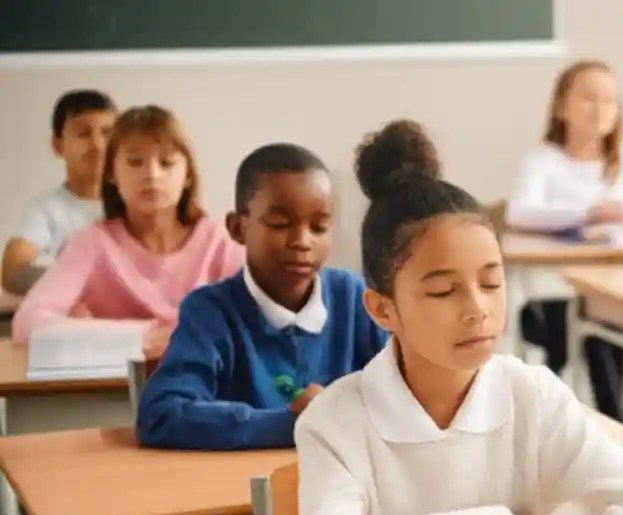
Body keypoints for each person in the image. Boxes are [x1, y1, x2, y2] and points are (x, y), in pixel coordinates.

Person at [296, 120, 623, 515]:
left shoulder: (532, 394)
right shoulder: (334, 422)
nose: (477, 309)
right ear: (381, 310)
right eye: (443, 291)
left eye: (491, 282)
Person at [136, 142, 387, 453]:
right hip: (242, 491)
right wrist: (291, 423)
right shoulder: (210, 312)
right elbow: (161, 415)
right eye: (281, 224)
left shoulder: (354, 299)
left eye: (319, 226)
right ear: (238, 228)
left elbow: (410, 391)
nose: (302, 242)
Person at [507, 60, 623, 420]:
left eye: (610, 101)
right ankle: (605, 420)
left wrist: (621, 208)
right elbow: (521, 212)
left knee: (605, 329)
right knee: (586, 327)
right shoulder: (543, 160)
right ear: (562, 106)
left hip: (620, 284)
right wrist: (587, 212)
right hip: (557, 290)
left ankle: (617, 422)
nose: (600, 109)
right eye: (588, 98)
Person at [11, 105, 243, 349]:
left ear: (187, 176)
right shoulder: (91, 243)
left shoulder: (220, 241)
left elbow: (259, 319)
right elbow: (27, 324)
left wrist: (88, 329)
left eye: (166, 163)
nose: (152, 175)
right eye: (135, 162)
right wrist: (148, 335)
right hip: (119, 384)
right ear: (112, 173)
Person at [3, 90, 117, 295]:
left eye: (107, 133)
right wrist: (84, 282)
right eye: (83, 134)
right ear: (58, 145)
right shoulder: (46, 209)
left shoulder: (136, 202)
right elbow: (13, 273)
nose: (98, 145)